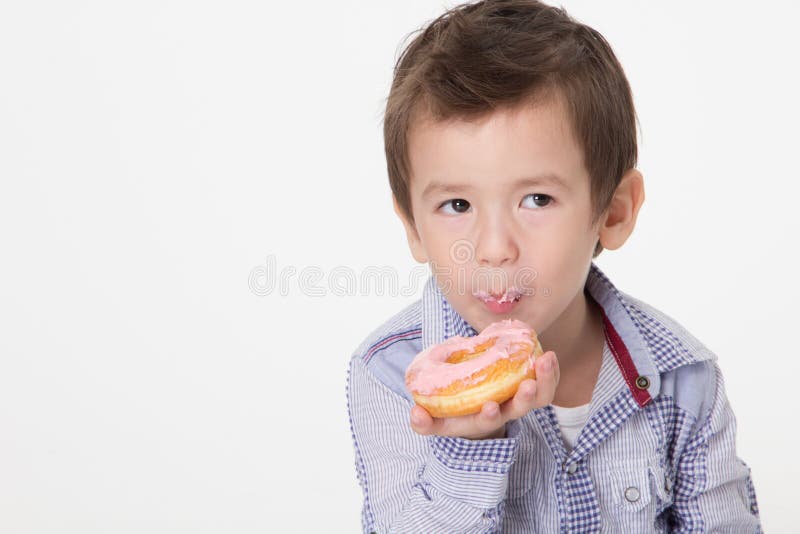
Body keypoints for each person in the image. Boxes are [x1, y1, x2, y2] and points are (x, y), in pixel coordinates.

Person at [346, 0, 761, 531]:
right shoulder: (391, 376)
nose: (494, 248)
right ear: (412, 225)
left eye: (537, 200)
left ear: (613, 212)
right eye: (457, 206)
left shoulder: (682, 378)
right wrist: (469, 449)